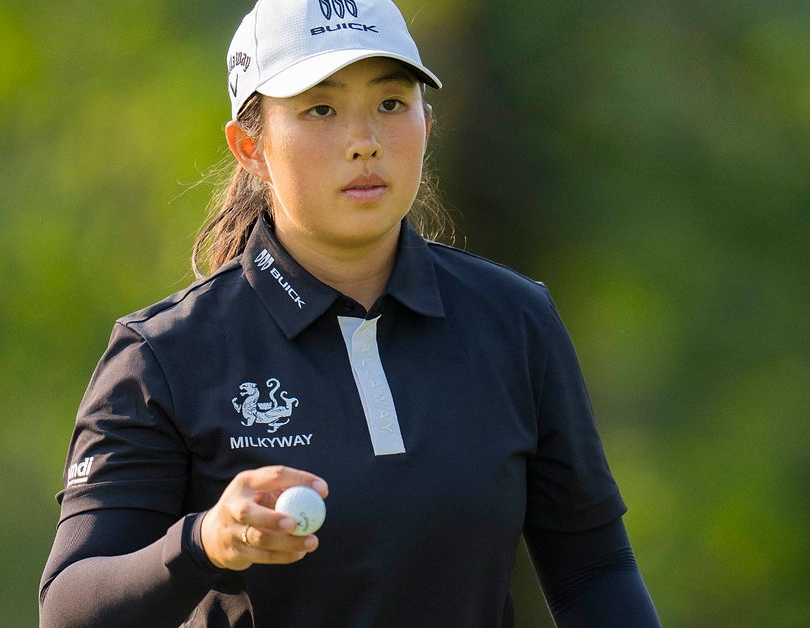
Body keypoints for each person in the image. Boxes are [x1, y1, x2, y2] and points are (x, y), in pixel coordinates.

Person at [38, 0, 660, 626]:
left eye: (391, 104)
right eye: (320, 109)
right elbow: (68, 610)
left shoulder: (514, 320)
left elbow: (594, 573)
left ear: (427, 120)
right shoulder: (165, 356)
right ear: (250, 145)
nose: (364, 143)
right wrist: (205, 543)